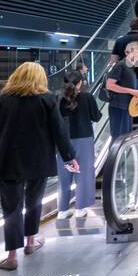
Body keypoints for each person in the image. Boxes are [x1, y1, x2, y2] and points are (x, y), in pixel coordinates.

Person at [0, 62, 76, 271]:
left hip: (8, 161)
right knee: (34, 201)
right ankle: (31, 242)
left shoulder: (0, 101)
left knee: (11, 208)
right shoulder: (47, 100)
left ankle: (11, 255)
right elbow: (59, 132)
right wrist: (69, 157)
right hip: (38, 161)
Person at [57, 73, 101, 219]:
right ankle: (80, 208)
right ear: (80, 83)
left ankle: (62, 210)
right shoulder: (87, 97)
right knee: (83, 173)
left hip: (63, 140)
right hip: (83, 138)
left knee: (64, 174)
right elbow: (96, 117)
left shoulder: (58, 99)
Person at [105, 42, 138, 138]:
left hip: (127, 107)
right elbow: (109, 85)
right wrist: (131, 91)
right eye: (137, 53)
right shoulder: (121, 65)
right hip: (119, 107)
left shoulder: (130, 67)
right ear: (128, 52)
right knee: (118, 137)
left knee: (124, 137)